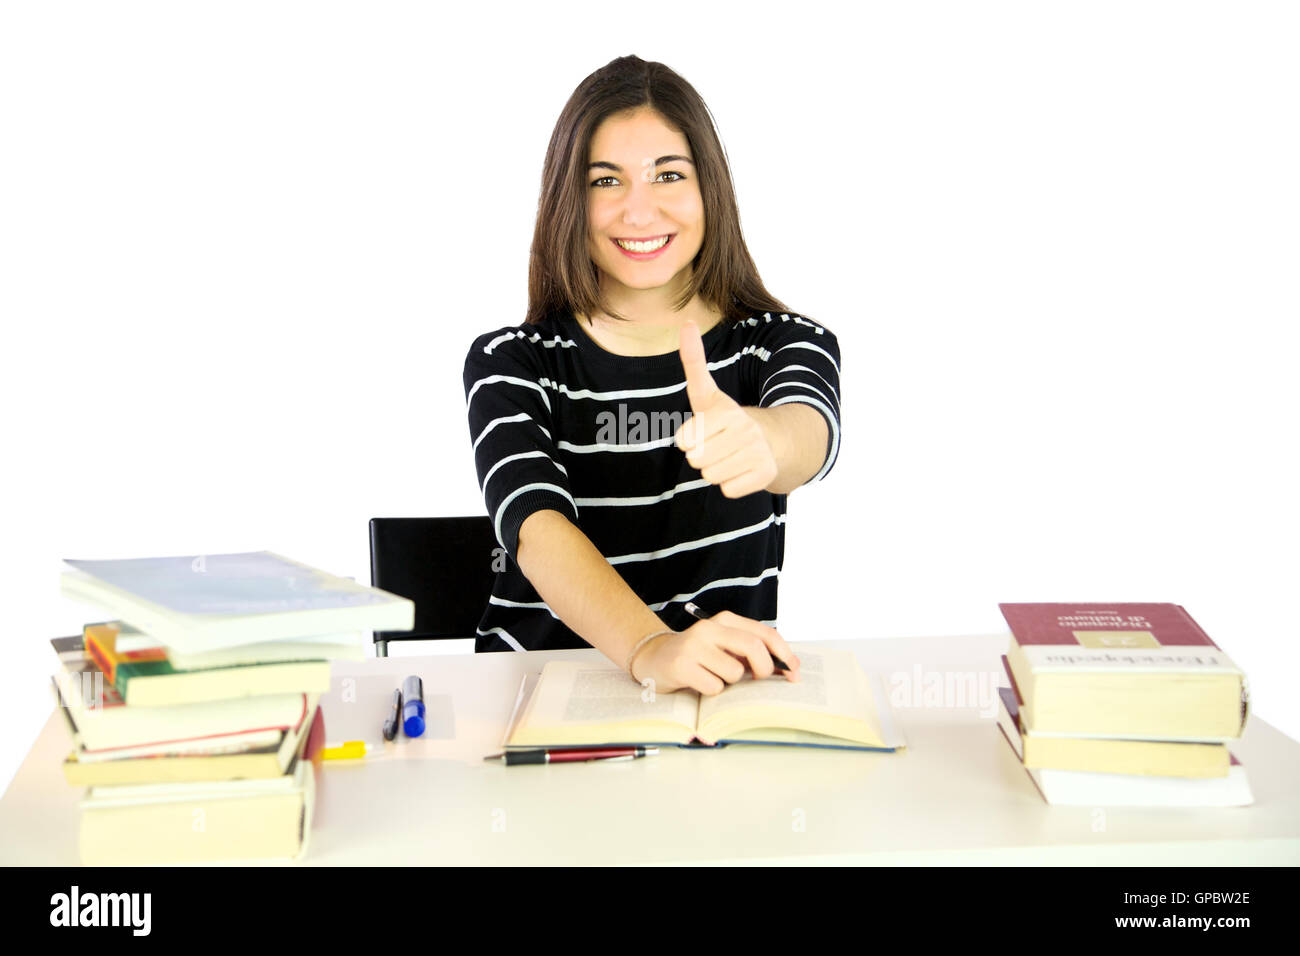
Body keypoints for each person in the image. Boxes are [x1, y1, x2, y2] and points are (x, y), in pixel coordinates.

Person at [462, 54, 841, 696]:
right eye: (605, 182)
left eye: (668, 174)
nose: (639, 212)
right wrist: (649, 647)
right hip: (543, 695)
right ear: (568, 200)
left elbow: (806, 435)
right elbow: (537, 528)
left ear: (708, 190)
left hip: (717, 698)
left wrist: (764, 442)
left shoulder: (785, 343)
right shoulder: (511, 362)